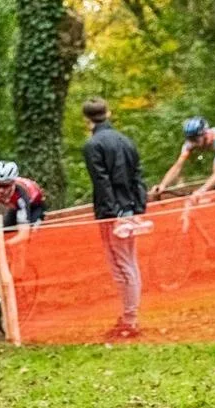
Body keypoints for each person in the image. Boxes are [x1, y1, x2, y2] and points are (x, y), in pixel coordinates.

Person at [82, 97, 147, 341]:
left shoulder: (93, 145)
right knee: (129, 262)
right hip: (129, 208)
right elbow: (138, 176)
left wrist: (113, 213)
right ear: (108, 113)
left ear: (87, 120)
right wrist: (138, 208)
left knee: (121, 265)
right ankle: (129, 315)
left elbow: (102, 182)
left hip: (113, 213)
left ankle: (130, 319)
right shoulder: (126, 141)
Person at [152, 117, 215, 201]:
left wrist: (201, 191)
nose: (193, 142)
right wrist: (163, 185)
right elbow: (178, 166)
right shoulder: (191, 143)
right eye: (190, 139)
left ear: (205, 134)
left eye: (195, 139)